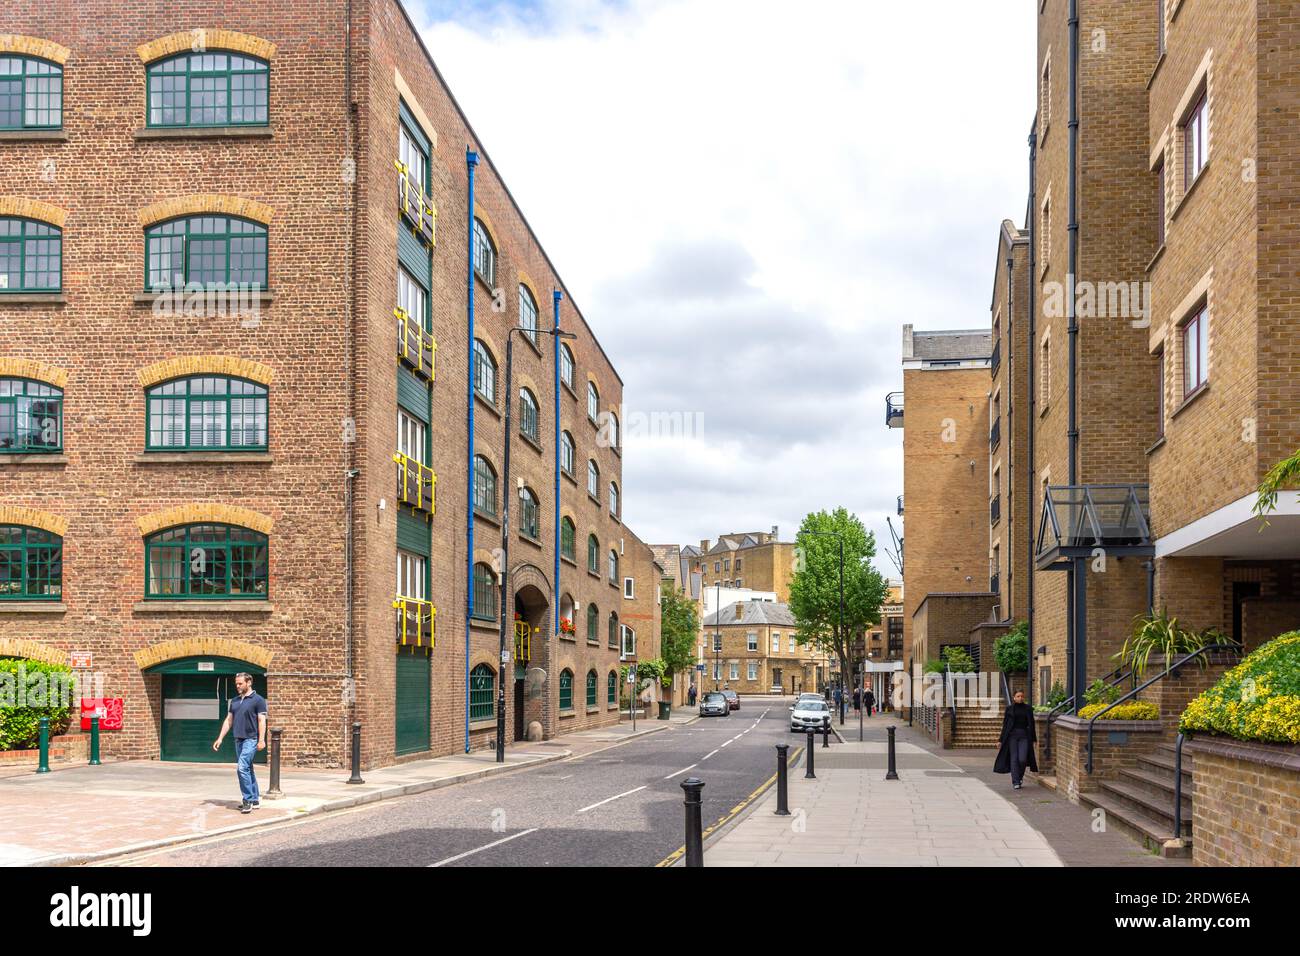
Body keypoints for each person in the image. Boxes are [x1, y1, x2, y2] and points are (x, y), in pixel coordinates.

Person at [213, 673, 267, 813]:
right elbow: (228, 720)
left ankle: (247, 800)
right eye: (236, 683)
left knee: (242, 768)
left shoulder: (258, 700)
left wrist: (261, 740)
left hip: (251, 739)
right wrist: (220, 738)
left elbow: (262, 721)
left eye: (240, 683)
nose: (237, 686)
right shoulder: (235, 701)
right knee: (248, 768)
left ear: (249, 683)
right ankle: (254, 799)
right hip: (238, 739)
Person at [994, 690, 1038, 789]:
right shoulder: (1009, 709)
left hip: (1024, 736)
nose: (1020, 698)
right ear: (1014, 697)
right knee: (1014, 759)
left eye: (1022, 696)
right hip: (1012, 736)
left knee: (1022, 759)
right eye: (1018, 696)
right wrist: (1000, 740)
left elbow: (1032, 724)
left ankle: (1020, 777)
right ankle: (1015, 782)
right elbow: (1005, 725)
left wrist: (1034, 739)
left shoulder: (1028, 709)